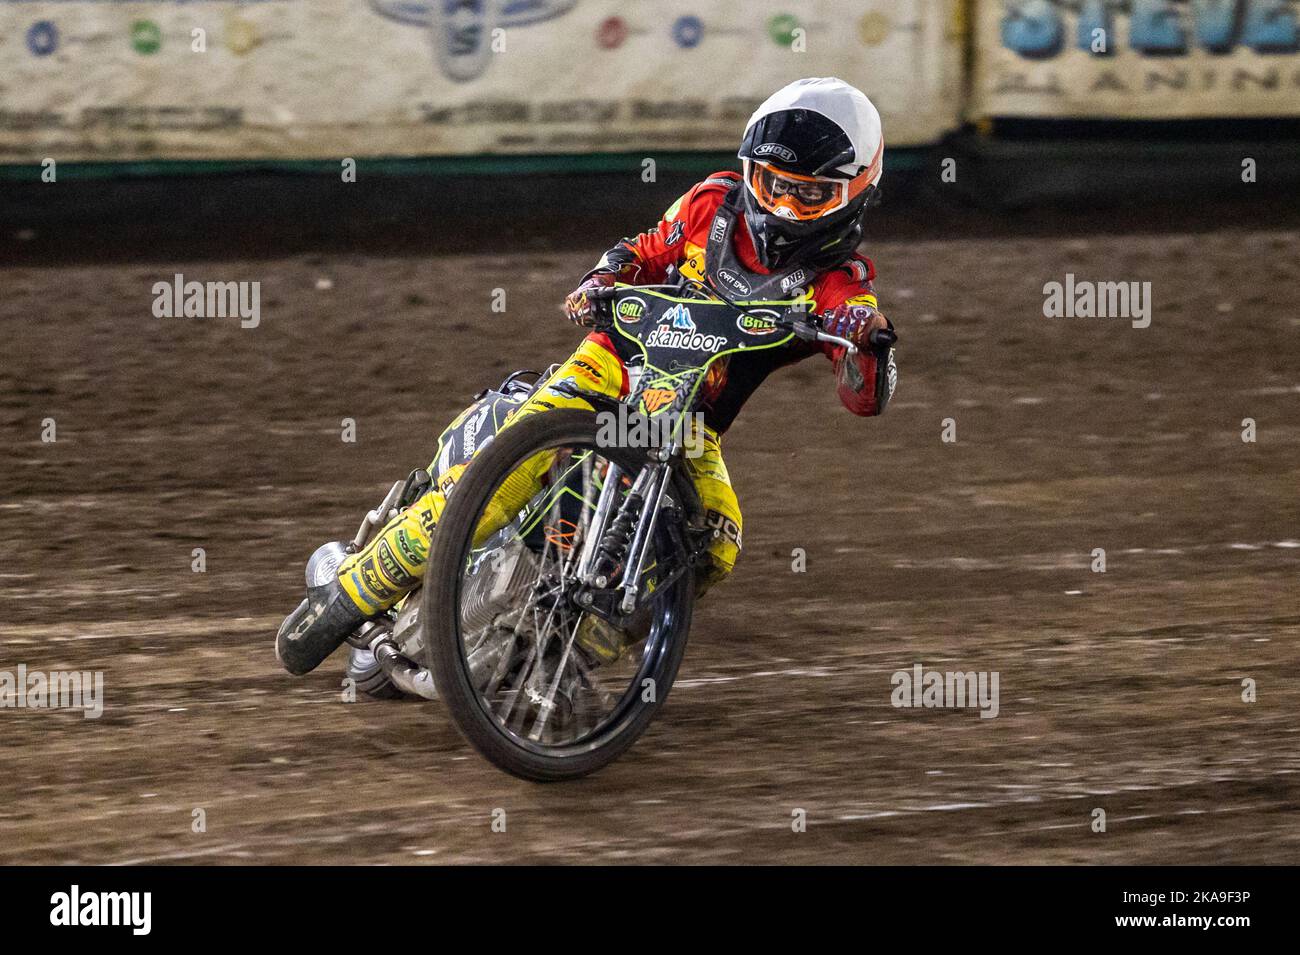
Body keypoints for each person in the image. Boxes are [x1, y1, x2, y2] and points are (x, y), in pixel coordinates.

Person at [277, 76, 898, 677]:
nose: (783, 206)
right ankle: (349, 592)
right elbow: (644, 248)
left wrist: (867, 343)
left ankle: (569, 655)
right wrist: (601, 279)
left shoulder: (842, 284)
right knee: (503, 475)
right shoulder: (713, 202)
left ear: (856, 192)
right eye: (772, 184)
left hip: (689, 427)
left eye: (808, 195)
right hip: (608, 365)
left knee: (716, 544)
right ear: (748, 171)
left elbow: (865, 395)